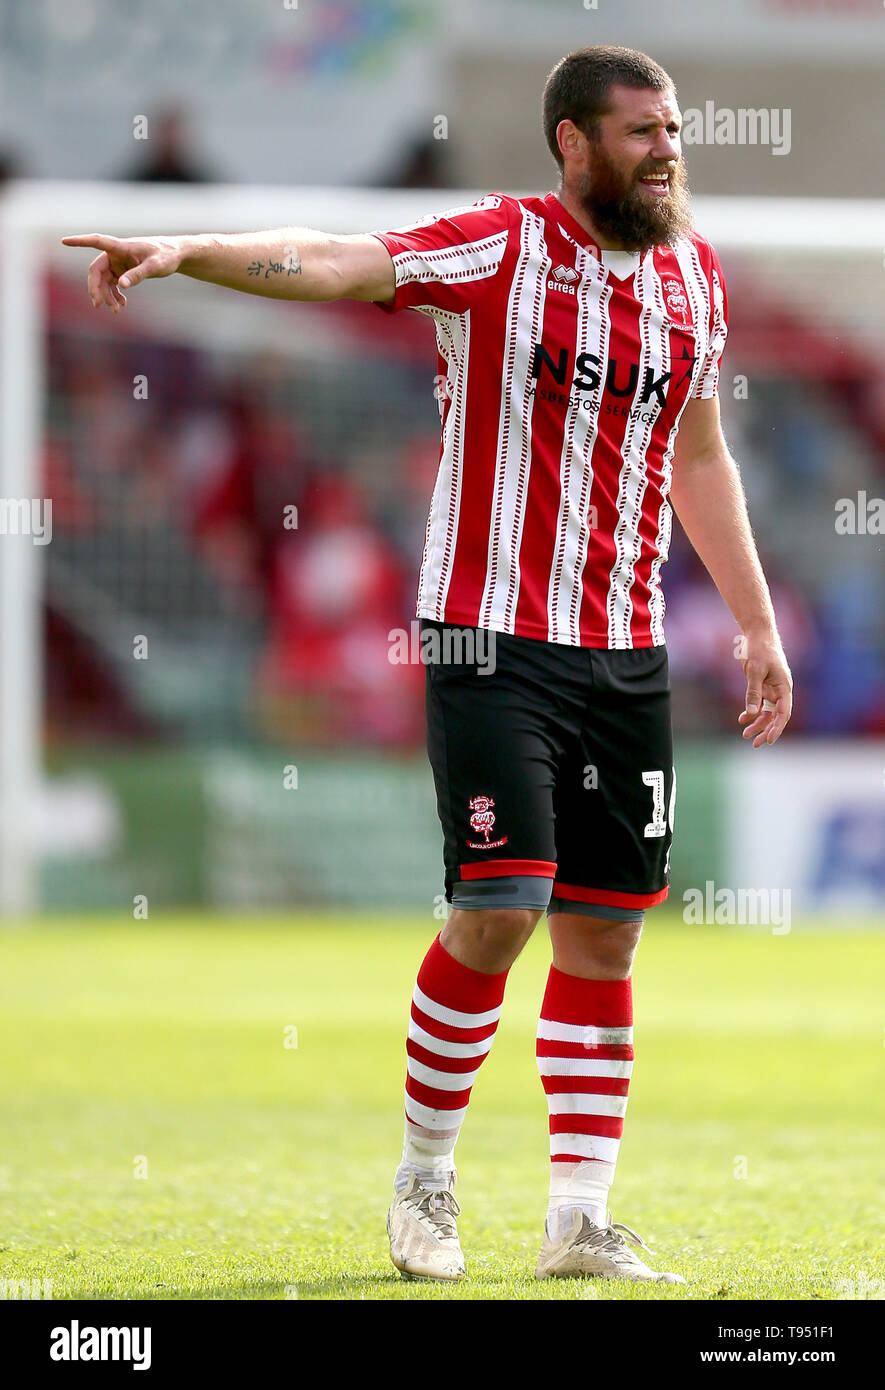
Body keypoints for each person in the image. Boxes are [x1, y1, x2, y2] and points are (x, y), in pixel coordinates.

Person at [62, 44, 793, 1286]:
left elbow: (701, 456)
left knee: (605, 939)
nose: (667, 149)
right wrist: (199, 251)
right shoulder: (502, 246)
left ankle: (580, 1217)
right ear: (572, 142)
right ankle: (425, 1177)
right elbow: (347, 263)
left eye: (673, 128)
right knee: (501, 907)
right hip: (488, 631)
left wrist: (758, 624)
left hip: (627, 648)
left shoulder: (694, 277)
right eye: (640, 131)